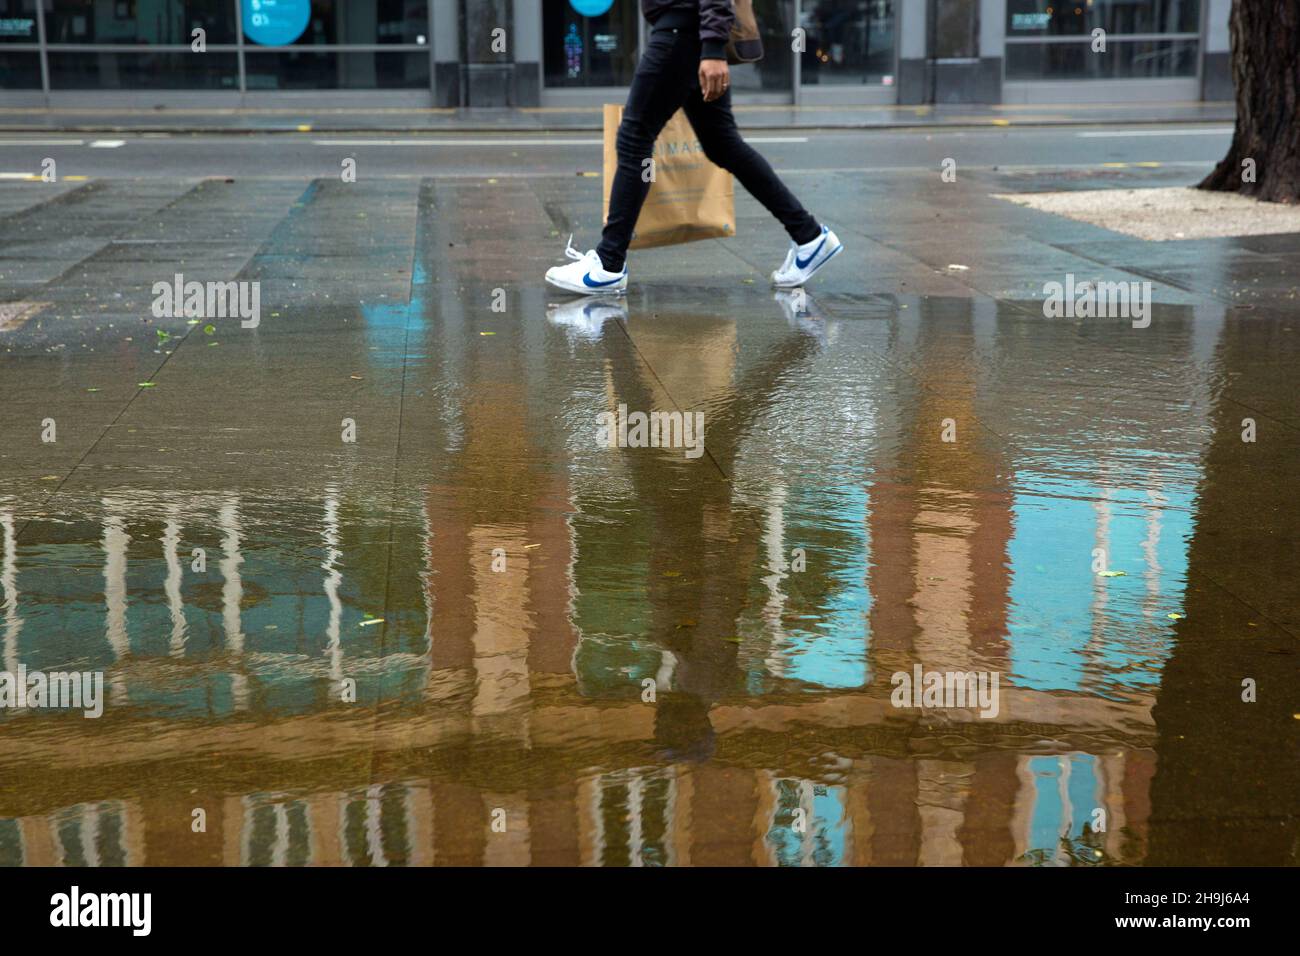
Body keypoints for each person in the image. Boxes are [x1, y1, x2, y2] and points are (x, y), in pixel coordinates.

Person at [546, 0, 842, 296]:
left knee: (635, 136)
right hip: (689, 31)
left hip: (682, 30)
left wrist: (713, 47)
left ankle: (608, 263)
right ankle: (809, 235)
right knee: (722, 144)